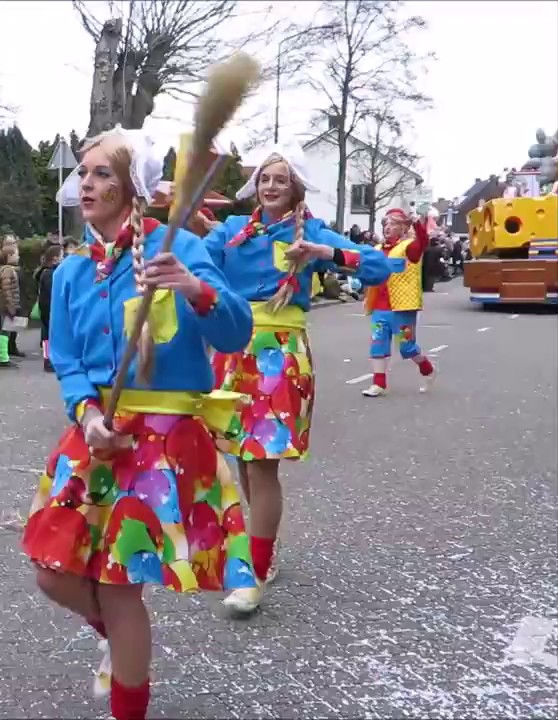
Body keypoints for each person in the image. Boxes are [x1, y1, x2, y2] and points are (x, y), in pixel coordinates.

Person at [23, 127, 256, 720]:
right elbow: (68, 359)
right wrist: (88, 411)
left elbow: (235, 332)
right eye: (85, 172)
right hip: (97, 435)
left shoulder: (177, 249)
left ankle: (128, 692)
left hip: (160, 443)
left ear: (133, 186)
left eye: (102, 173)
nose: (87, 183)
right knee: (53, 574)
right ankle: (116, 638)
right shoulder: (74, 272)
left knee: (120, 586)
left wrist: (195, 288)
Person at [202, 145, 390, 616]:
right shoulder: (231, 231)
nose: (270, 186)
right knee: (244, 462)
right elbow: (194, 265)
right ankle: (265, 548)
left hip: (279, 357)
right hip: (232, 351)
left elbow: (381, 266)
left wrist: (325, 252)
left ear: (295, 188)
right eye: (265, 178)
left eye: (280, 180)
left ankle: (253, 571)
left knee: (262, 464)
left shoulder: (310, 232)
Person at [360, 207, 437, 397]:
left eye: (393, 223)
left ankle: (427, 370)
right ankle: (378, 384)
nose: (388, 227)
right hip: (380, 306)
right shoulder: (376, 249)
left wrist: (417, 223)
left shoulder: (409, 246)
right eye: (385, 223)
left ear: (403, 228)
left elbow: (423, 243)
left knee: (407, 347)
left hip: (403, 307)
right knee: (377, 345)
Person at [35, 243, 63, 373]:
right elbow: (53, 293)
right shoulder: (51, 274)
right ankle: (49, 360)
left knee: (47, 337)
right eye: (62, 256)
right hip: (50, 309)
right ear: (55, 258)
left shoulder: (44, 272)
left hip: (45, 308)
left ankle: (48, 359)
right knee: (51, 337)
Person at [0, 245, 21, 368]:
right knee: (5, 332)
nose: (18, 257)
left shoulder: (5, 270)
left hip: (4, 305)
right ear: (9, 257)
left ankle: (3, 355)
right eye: (16, 254)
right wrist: (11, 306)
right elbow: (7, 290)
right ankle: (3, 358)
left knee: (5, 331)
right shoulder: (8, 271)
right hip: (7, 306)